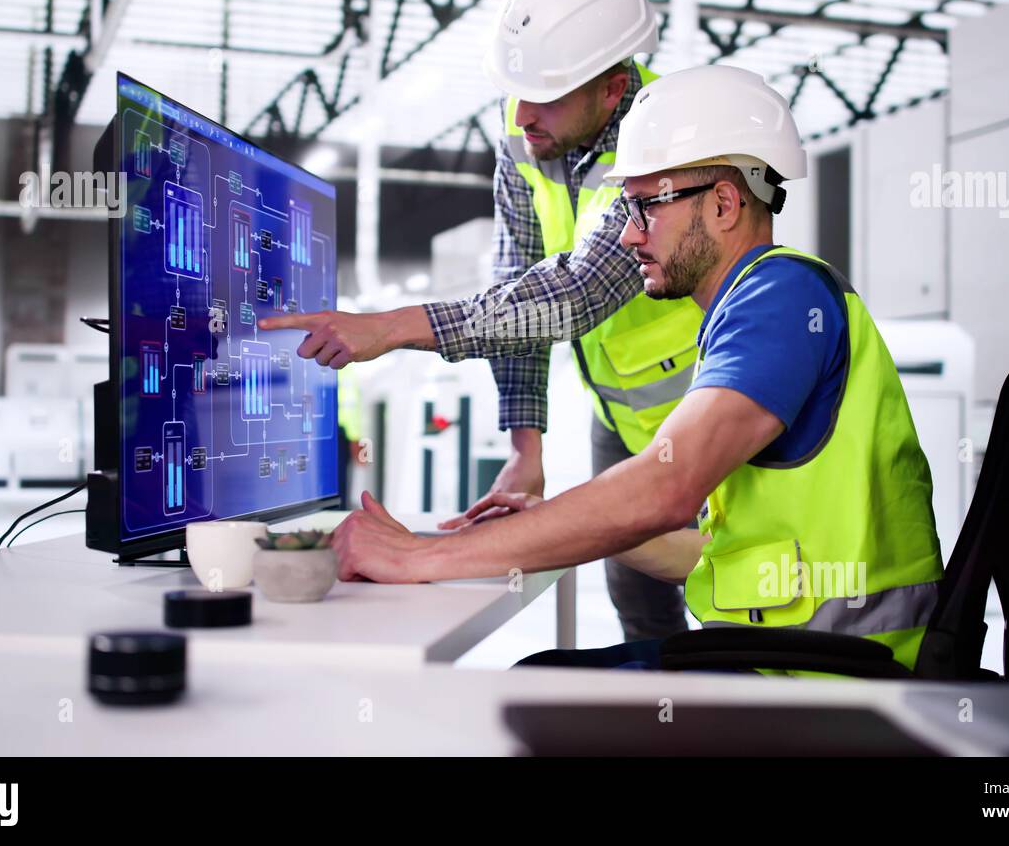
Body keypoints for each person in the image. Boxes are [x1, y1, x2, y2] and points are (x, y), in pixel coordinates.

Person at [326, 65, 946, 673]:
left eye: (645, 206)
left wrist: (419, 557)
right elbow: (712, 554)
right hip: (804, 659)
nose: (627, 236)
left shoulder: (781, 298)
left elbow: (664, 491)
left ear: (725, 204)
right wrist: (544, 520)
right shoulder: (754, 307)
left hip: (830, 683)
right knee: (546, 676)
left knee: (540, 692)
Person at [262, 0, 704, 641]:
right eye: (516, 88)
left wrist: (397, 326)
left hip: (707, 413)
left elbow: (574, 295)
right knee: (643, 616)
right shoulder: (524, 128)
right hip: (618, 416)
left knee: (724, 593)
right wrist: (527, 446)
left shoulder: (660, 146)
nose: (522, 114)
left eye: (547, 93)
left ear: (613, 88)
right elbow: (517, 279)